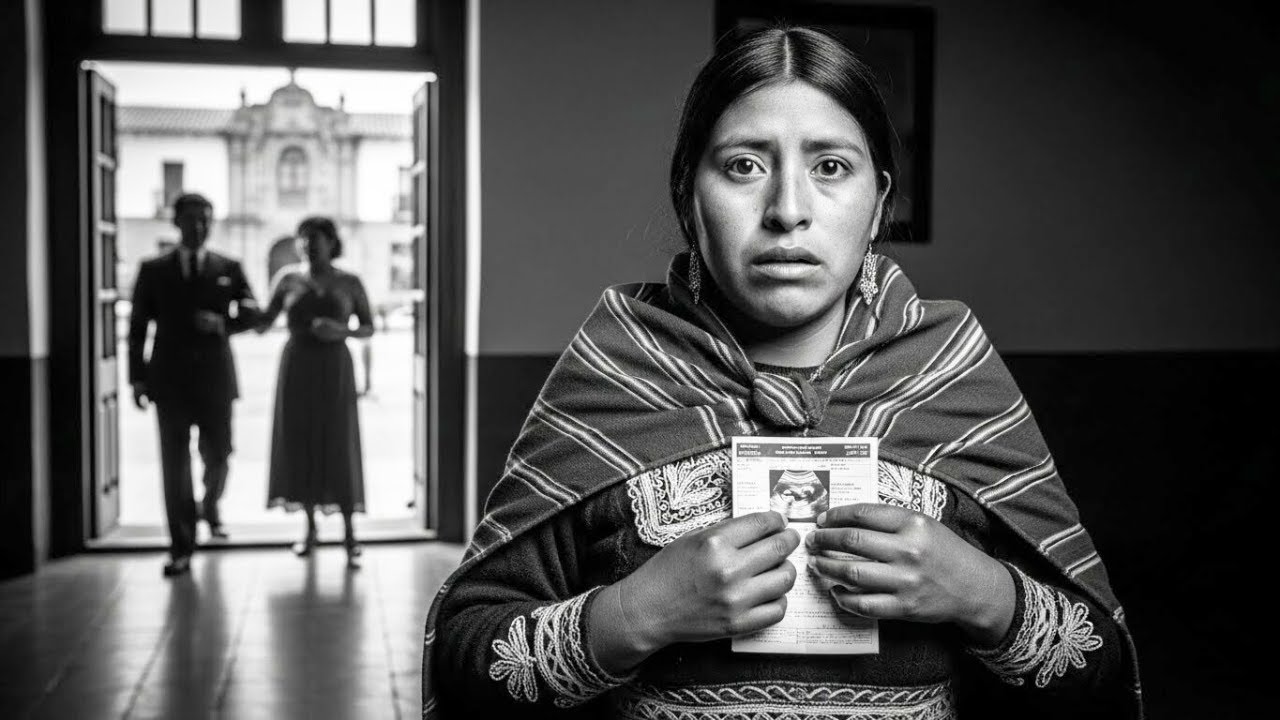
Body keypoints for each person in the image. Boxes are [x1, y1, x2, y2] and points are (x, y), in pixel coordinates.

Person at [423, 26, 1141, 719]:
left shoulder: (953, 374)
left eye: (830, 166)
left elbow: (1098, 672)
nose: (788, 211)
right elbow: (466, 660)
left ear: (879, 201)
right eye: (744, 166)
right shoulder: (617, 372)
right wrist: (633, 615)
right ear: (687, 196)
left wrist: (984, 596)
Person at [128, 192, 260, 577]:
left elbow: (252, 312)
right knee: (174, 464)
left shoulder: (229, 266)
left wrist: (224, 324)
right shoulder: (152, 269)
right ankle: (181, 545)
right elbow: (137, 329)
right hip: (168, 380)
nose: (199, 227)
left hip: (216, 379)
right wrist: (137, 377)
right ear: (177, 223)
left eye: (205, 220)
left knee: (219, 453)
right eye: (191, 220)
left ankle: (210, 504)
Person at [256, 216, 374, 568]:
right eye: (303, 238)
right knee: (301, 441)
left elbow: (368, 327)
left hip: (335, 367)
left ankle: (350, 532)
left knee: (338, 442)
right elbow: (264, 321)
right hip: (296, 368)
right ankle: (308, 529)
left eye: (317, 238)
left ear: (331, 242)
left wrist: (342, 331)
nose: (309, 244)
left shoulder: (350, 281)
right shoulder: (286, 279)